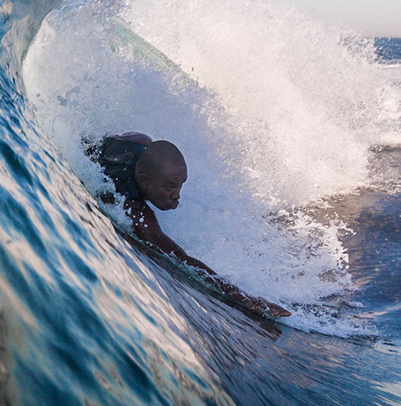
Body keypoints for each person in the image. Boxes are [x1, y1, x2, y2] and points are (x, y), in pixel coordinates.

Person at [87, 132, 291, 317]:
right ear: (144, 180)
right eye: (171, 186)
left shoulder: (141, 141)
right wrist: (239, 294)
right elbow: (180, 258)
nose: (177, 195)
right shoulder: (133, 206)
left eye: (180, 184)